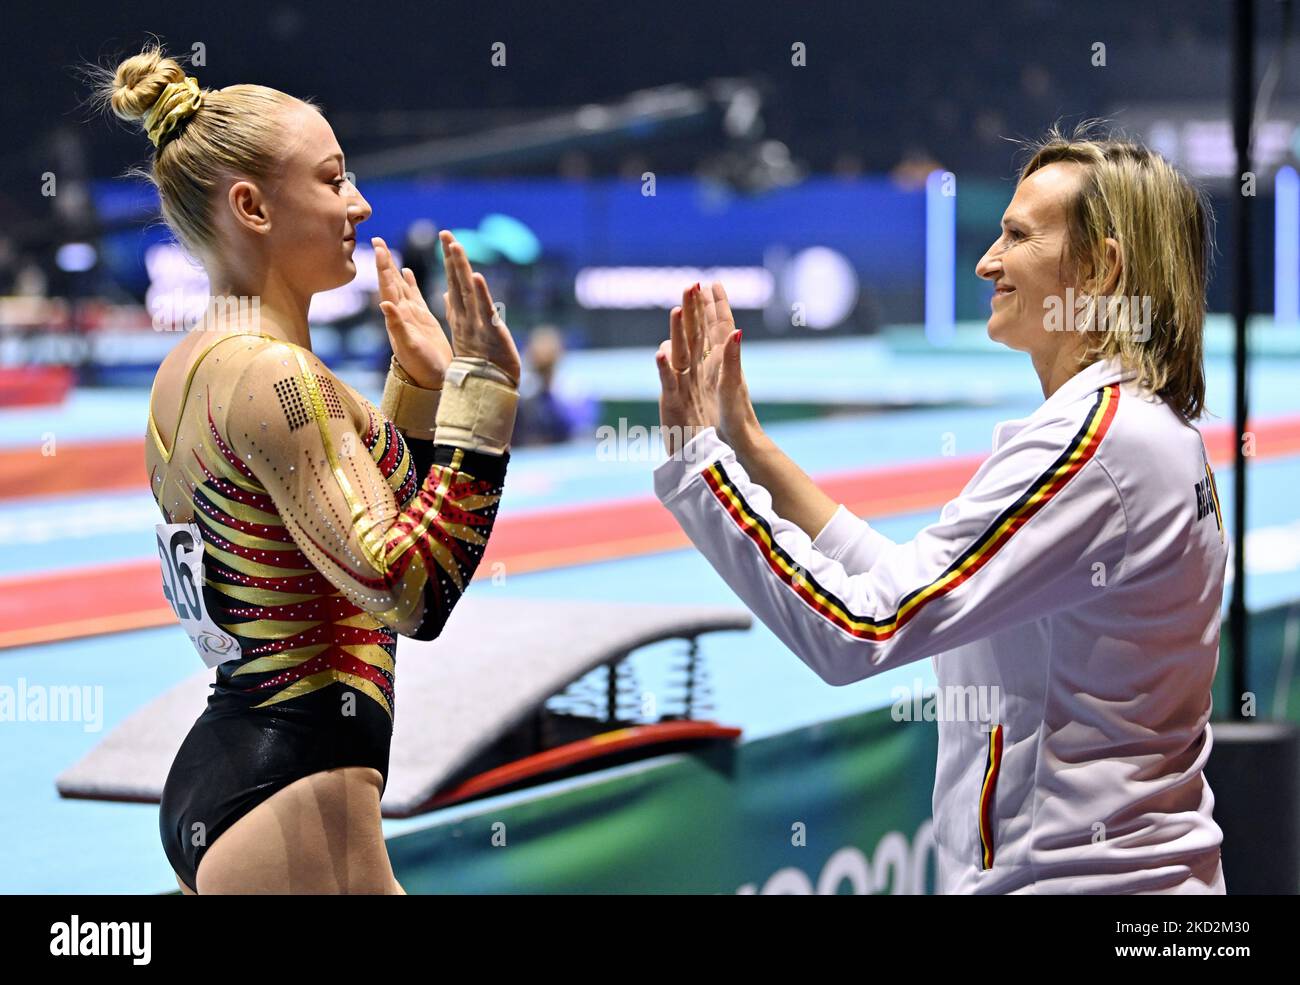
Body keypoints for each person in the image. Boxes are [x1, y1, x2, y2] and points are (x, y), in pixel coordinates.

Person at [653, 122, 1227, 894]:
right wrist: (751, 446)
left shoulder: (1096, 447)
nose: (988, 261)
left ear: (1099, 268)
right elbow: (907, 585)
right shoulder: (1145, 427)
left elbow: (859, 629)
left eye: (1017, 237)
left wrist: (698, 466)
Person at [97, 42, 522, 894]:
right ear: (251, 206)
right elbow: (407, 589)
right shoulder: (274, 376)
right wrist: (486, 406)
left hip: (247, 764)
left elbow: (344, 541)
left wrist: (422, 384)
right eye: (332, 181)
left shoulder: (193, 368)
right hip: (296, 789)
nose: (359, 203)